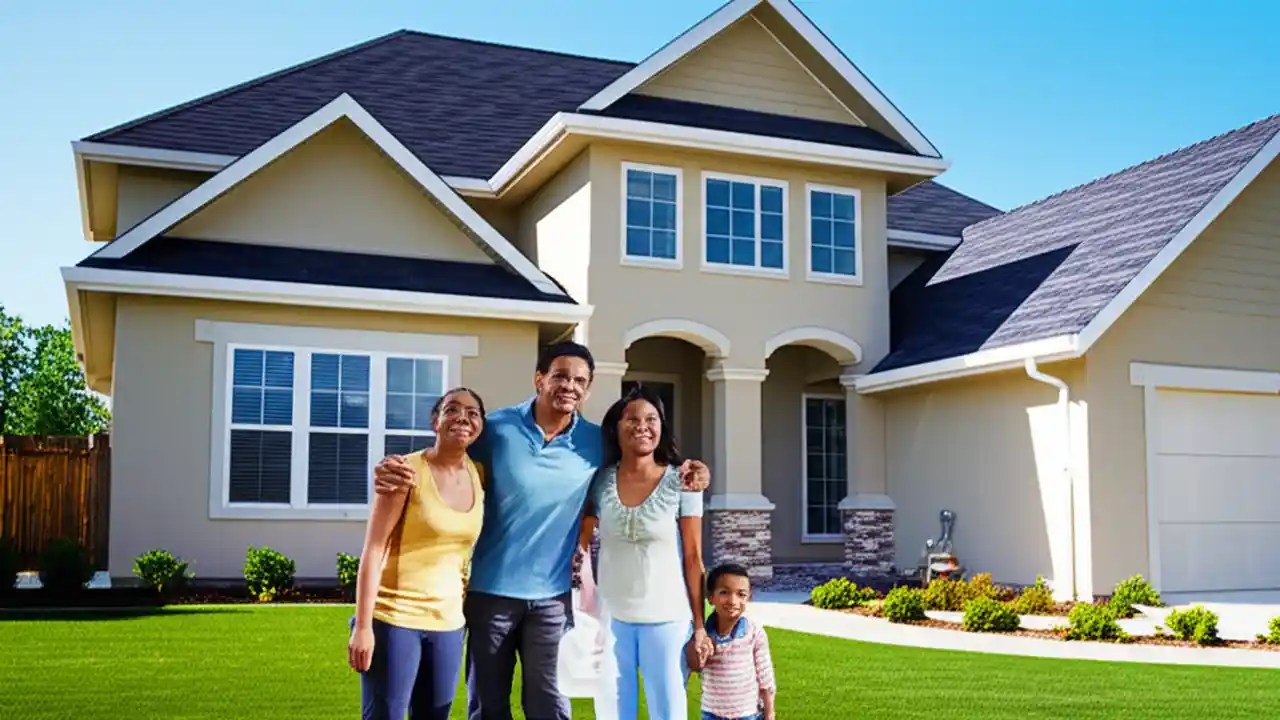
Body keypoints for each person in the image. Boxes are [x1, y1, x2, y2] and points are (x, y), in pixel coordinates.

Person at [372, 341, 711, 720]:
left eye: (580, 381)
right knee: (488, 708)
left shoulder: (595, 442)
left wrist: (693, 471)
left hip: (551, 599)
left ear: (588, 389)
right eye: (560, 376)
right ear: (539, 379)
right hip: (489, 595)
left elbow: (640, 460)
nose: (569, 386)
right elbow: (449, 452)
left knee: (549, 707)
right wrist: (397, 465)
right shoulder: (497, 428)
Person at [347, 388, 488, 720]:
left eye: (473, 413)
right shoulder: (405, 472)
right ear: (435, 421)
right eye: (452, 410)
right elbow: (374, 549)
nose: (463, 418)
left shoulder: (478, 474)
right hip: (394, 619)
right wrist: (363, 626)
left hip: (449, 623)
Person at [579, 384, 712, 720]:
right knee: (612, 714)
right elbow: (580, 544)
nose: (642, 426)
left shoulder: (684, 481)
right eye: (632, 419)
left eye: (651, 419)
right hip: (610, 621)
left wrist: (699, 627)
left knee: (668, 713)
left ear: (661, 427)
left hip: (667, 620)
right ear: (616, 428)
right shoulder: (599, 481)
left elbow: (693, 557)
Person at [698, 563, 777, 720]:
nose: (733, 601)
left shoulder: (754, 633)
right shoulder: (703, 634)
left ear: (749, 597)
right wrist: (702, 650)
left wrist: (769, 712)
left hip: (747, 714)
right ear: (710, 597)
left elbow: (765, 676)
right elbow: (695, 666)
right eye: (724, 592)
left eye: (741, 594)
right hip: (712, 714)